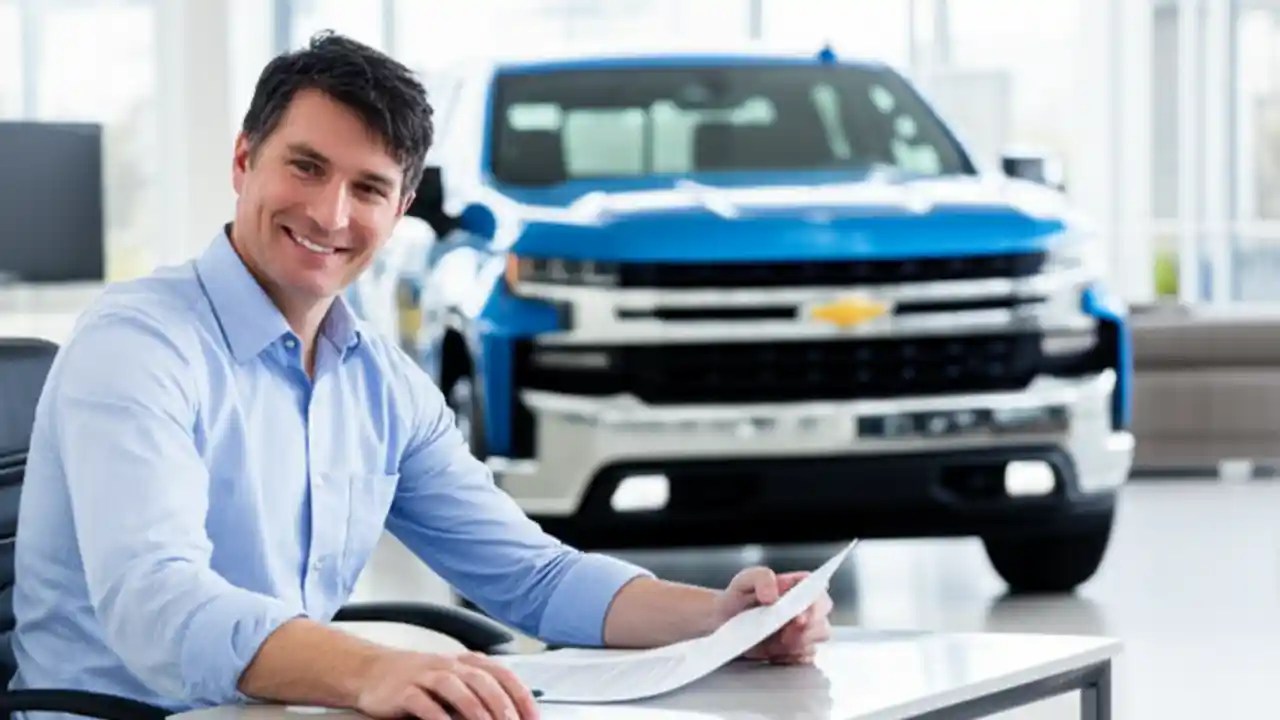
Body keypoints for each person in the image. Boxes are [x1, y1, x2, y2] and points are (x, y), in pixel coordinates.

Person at [9, 32, 833, 720]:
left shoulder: (379, 382)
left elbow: (534, 578)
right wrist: (368, 669)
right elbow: (158, 603)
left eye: (368, 188)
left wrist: (723, 621)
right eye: (305, 167)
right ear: (243, 160)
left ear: (399, 212)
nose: (331, 214)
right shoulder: (140, 345)